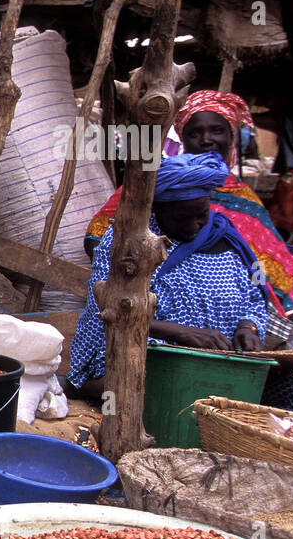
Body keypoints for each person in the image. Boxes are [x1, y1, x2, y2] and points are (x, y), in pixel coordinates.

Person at [85, 90, 293, 324]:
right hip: (156, 308)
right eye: (195, 133)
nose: (206, 139)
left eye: (217, 130)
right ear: (183, 137)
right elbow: (96, 238)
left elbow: (264, 262)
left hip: (237, 313)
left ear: (231, 136)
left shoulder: (243, 197)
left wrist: (250, 315)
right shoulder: (157, 184)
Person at [67, 151, 267, 398]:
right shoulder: (126, 242)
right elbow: (111, 311)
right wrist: (182, 333)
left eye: (202, 215)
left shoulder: (227, 238)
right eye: (183, 218)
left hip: (222, 368)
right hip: (144, 358)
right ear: (157, 209)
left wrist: (248, 328)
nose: (195, 225)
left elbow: (257, 300)